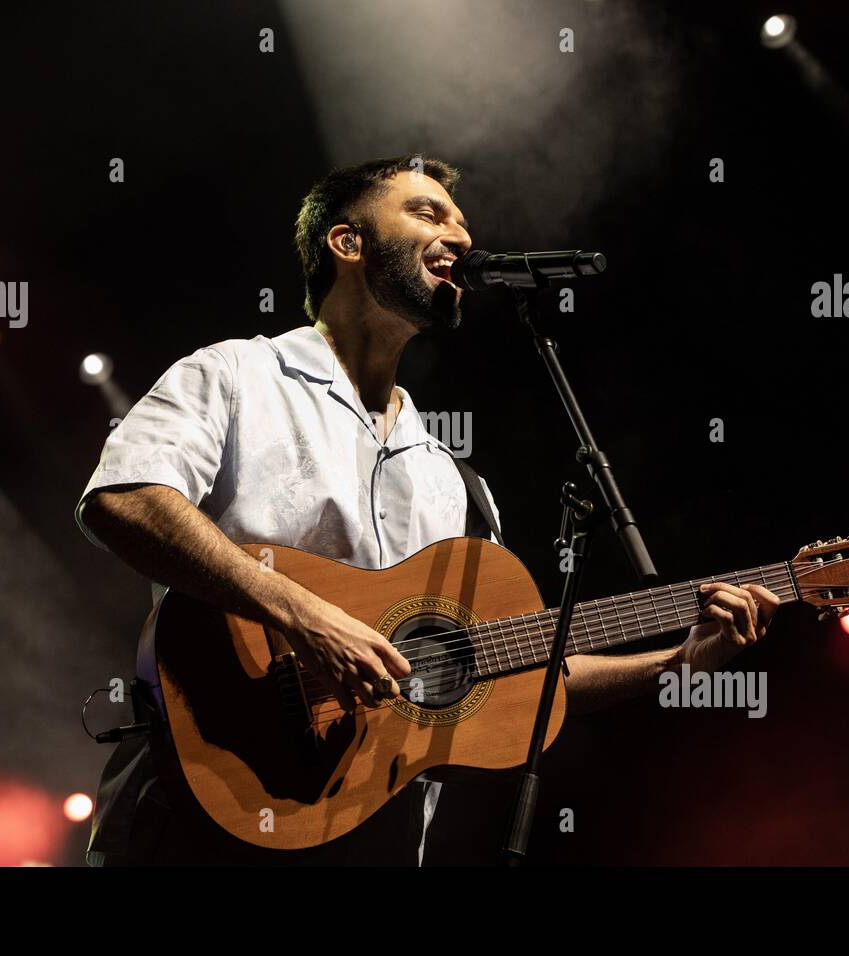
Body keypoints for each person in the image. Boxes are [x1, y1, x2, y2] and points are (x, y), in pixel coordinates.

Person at [75, 153, 780, 866]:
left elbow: (520, 670)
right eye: (428, 213)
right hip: (202, 808)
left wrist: (677, 662)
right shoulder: (235, 376)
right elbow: (121, 499)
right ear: (347, 243)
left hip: (374, 835)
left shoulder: (453, 480)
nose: (462, 238)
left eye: (463, 222)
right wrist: (303, 616)